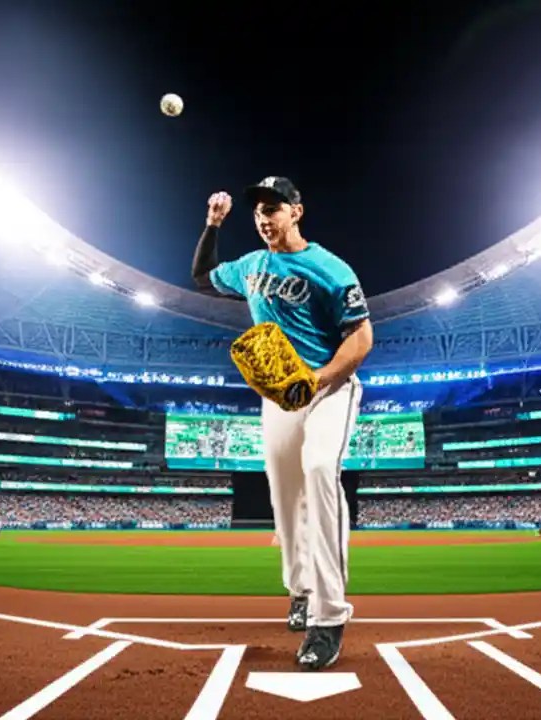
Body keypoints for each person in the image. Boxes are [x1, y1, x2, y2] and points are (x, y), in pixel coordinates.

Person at [192, 176, 373, 671]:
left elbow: (360, 340)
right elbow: (203, 276)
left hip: (329, 389)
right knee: (283, 499)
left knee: (319, 470)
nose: (263, 217)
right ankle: (301, 590)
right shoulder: (250, 265)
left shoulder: (329, 268)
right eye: (257, 212)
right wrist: (212, 225)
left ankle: (329, 617)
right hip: (279, 399)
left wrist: (319, 379)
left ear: (297, 211)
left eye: (273, 208)